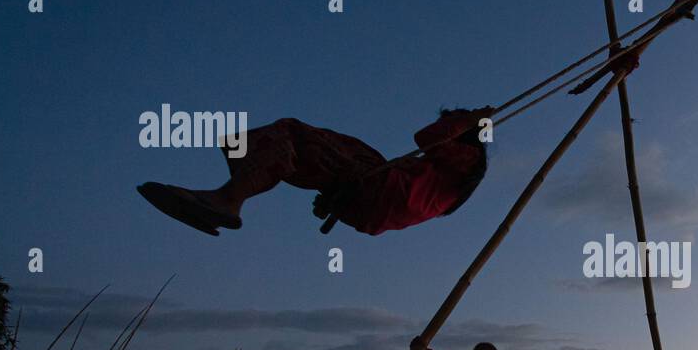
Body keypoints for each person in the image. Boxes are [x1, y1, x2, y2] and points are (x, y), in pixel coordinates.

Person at [136, 107, 494, 236]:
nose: (441, 125)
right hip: (366, 205)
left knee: (290, 133)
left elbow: (426, 137)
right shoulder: (443, 180)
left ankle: (229, 198)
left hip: (377, 189)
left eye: (447, 122)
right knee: (275, 146)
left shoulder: (467, 159)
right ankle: (229, 195)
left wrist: (469, 119)